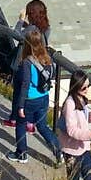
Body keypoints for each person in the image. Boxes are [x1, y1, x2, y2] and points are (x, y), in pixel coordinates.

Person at [8, 29, 60, 164]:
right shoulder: (47, 57)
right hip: (44, 97)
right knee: (42, 126)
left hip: (30, 99)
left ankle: (21, 153)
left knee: (21, 124)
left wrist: (20, 106)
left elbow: (25, 85)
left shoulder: (27, 62)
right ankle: (59, 151)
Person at [59, 69, 91, 180]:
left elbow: (81, 120)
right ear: (76, 86)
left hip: (83, 147)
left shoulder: (81, 99)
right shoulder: (70, 104)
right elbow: (72, 130)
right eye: (84, 87)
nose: (87, 89)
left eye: (88, 86)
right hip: (72, 150)